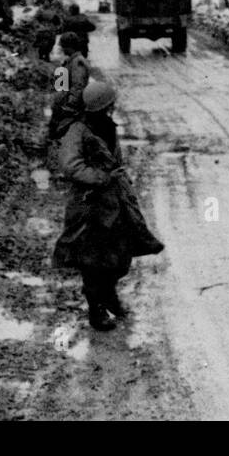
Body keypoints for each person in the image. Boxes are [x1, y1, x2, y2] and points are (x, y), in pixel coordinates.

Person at [52, 80, 164, 331]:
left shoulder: (106, 127)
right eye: (110, 104)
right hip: (89, 205)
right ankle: (96, 309)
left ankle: (110, 295)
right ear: (101, 107)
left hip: (114, 202)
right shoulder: (77, 131)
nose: (113, 108)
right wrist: (101, 178)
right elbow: (70, 166)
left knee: (120, 255)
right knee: (93, 260)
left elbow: (116, 160)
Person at [47, 30, 91, 137]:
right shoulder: (71, 61)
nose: (62, 49)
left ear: (69, 46)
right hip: (64, 106)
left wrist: (70, 107)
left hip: (71, 109)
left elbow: (78, 86)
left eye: (63, 46)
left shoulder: (77, 63)